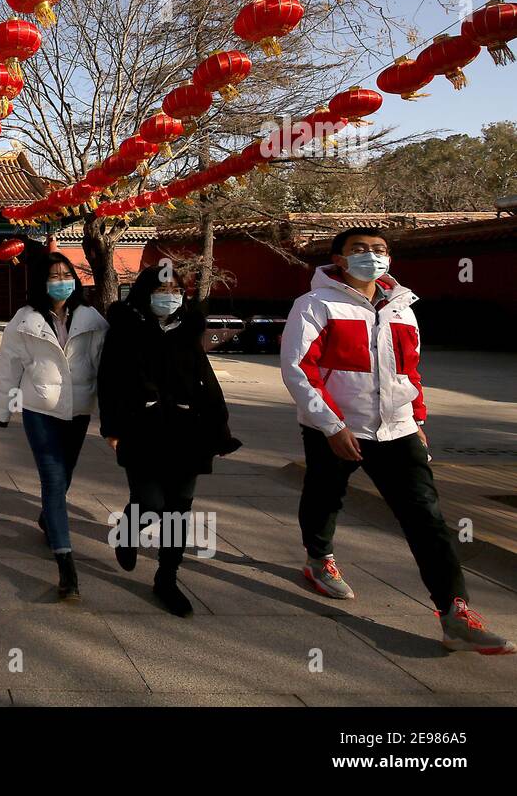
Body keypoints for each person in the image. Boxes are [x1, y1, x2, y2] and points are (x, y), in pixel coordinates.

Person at [281, 227, 514, 653]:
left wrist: (418, 417)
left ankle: (454, 612)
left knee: (426, 518)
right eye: (360, 250)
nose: (372, 256)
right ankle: (318, 559)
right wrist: (331, 426)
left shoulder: (403, 307)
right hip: (338, 427)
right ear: (339, 258)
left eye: (380, 250)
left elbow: (411, 371)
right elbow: (299, 369)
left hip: (398, 429)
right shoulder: (315, 305)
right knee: (325, 494)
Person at [97, 265, 240, 617]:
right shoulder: (125, 330)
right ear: (146, 292)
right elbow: (109, 381)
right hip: (140, 429)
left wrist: (219, 431)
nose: (170, 295)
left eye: (176, 289)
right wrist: (111, 427)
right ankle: (128, 532)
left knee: (178, 509)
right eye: (162, 289)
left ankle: (167, 577)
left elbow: (207, 382)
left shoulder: (188, 330)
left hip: (187, 431)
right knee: (149, 502)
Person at [0, 252, 108, 601]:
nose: (62, 280)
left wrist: (113, 417)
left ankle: (48, 516)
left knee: (65, 476)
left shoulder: (92, 319)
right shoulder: (24, 320)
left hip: (78, 409)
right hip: (39, 409)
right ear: (41, 282)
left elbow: (106, 368)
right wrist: (3, 409)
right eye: (54, 275)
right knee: (53, 478)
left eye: (66, 273)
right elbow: (8, 367)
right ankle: (66, 564)